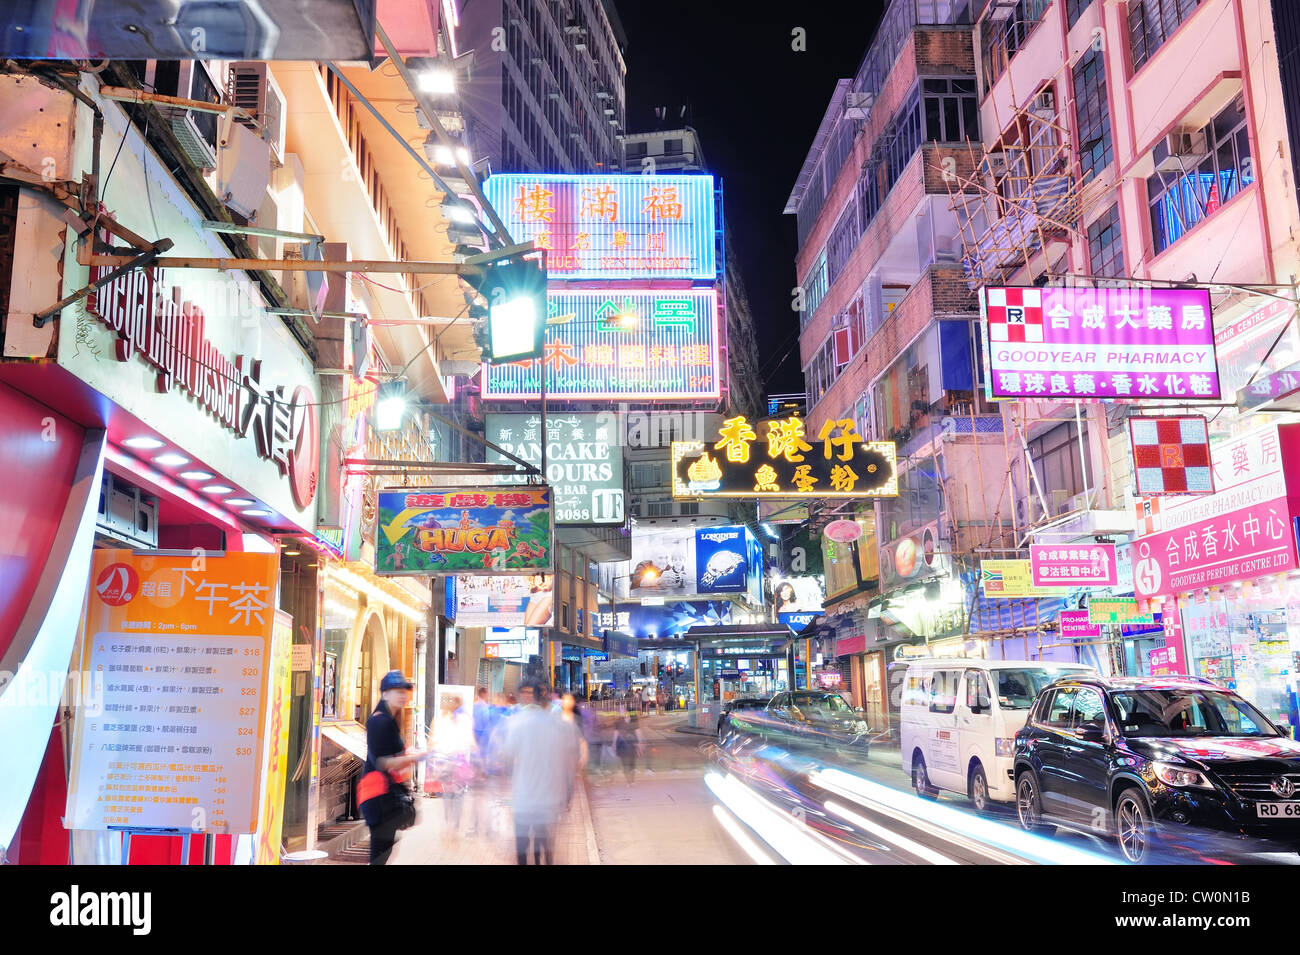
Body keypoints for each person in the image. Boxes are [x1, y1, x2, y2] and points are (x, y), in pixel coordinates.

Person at [499, 684, 580, 864]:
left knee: (522, 847)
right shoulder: (558, 726)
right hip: (548, 800)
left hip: (524, 799)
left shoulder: (517, 723)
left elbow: (507, 755)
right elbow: (568, 759)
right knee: (545, 845)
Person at [361, 671, 425, 865]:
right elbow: (383, 762)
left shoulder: (389, 719)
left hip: (384, 796)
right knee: (380, 853)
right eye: (397, 691)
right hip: (378, 797)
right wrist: (415, 757)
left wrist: (408, 754)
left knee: (384, 851)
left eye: (404, 691)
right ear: (385, 694)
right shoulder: (379, 721)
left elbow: (390, 754)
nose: (403, 695)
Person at [558, 692, 589, 809]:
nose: (566, 702)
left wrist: (584, 754)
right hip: (558, 754)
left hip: (572, 755)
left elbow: (582, 739)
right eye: (564, 699)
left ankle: (566, 801)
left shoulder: (577, 719)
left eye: (569, 700)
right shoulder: (556, 718)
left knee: (569, 779)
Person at [611, 709, 645, 786]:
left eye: (624, 711)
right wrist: (614, 743)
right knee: (625, 764)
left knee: (632, 763)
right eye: (621, 712)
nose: (623, 713)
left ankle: (632, 780)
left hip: (632, 745)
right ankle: (629, 781)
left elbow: (638, 732)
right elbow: (616, 732)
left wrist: (640, 742)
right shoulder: (618, 722)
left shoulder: (634, 721)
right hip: (622, 746)